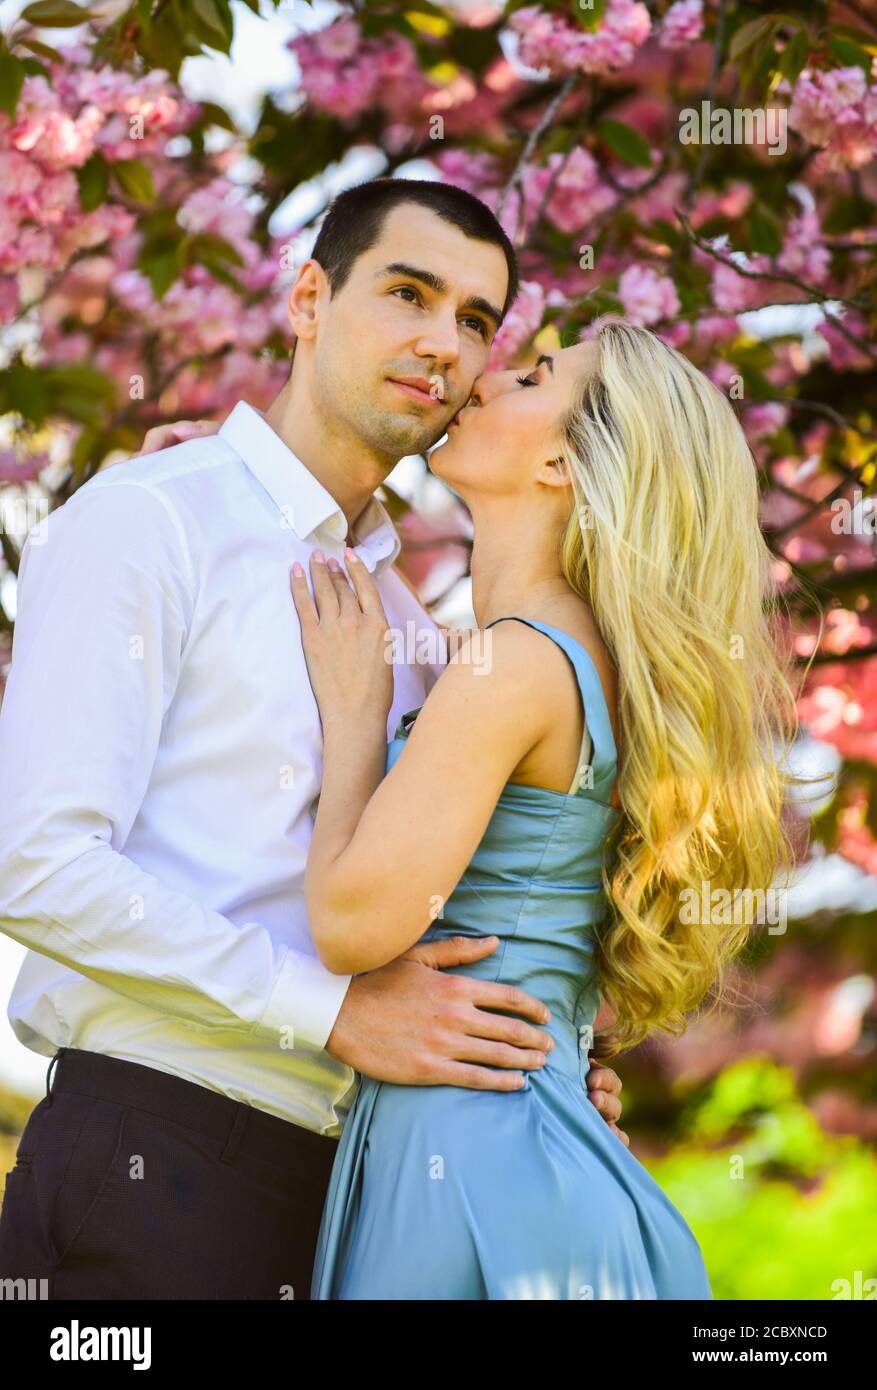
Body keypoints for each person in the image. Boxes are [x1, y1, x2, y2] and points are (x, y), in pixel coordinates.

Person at [0, 178, 626, 1301]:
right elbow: (33, 862)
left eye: (477, 323)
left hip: (354, 1199)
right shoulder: (153, 518)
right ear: (307, 299)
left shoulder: (417, 639)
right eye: (407, 293)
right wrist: (333, 1013)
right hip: (154, 1159)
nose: (443, 343)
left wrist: (546, 1065)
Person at [283, 319, 801, 1299]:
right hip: (529, 1145)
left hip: (473, 1162)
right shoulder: (564, 659)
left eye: (530, 375)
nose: (480, 376)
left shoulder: (512, 663)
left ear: (563, 456)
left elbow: (351, 924)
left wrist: (355, 717)